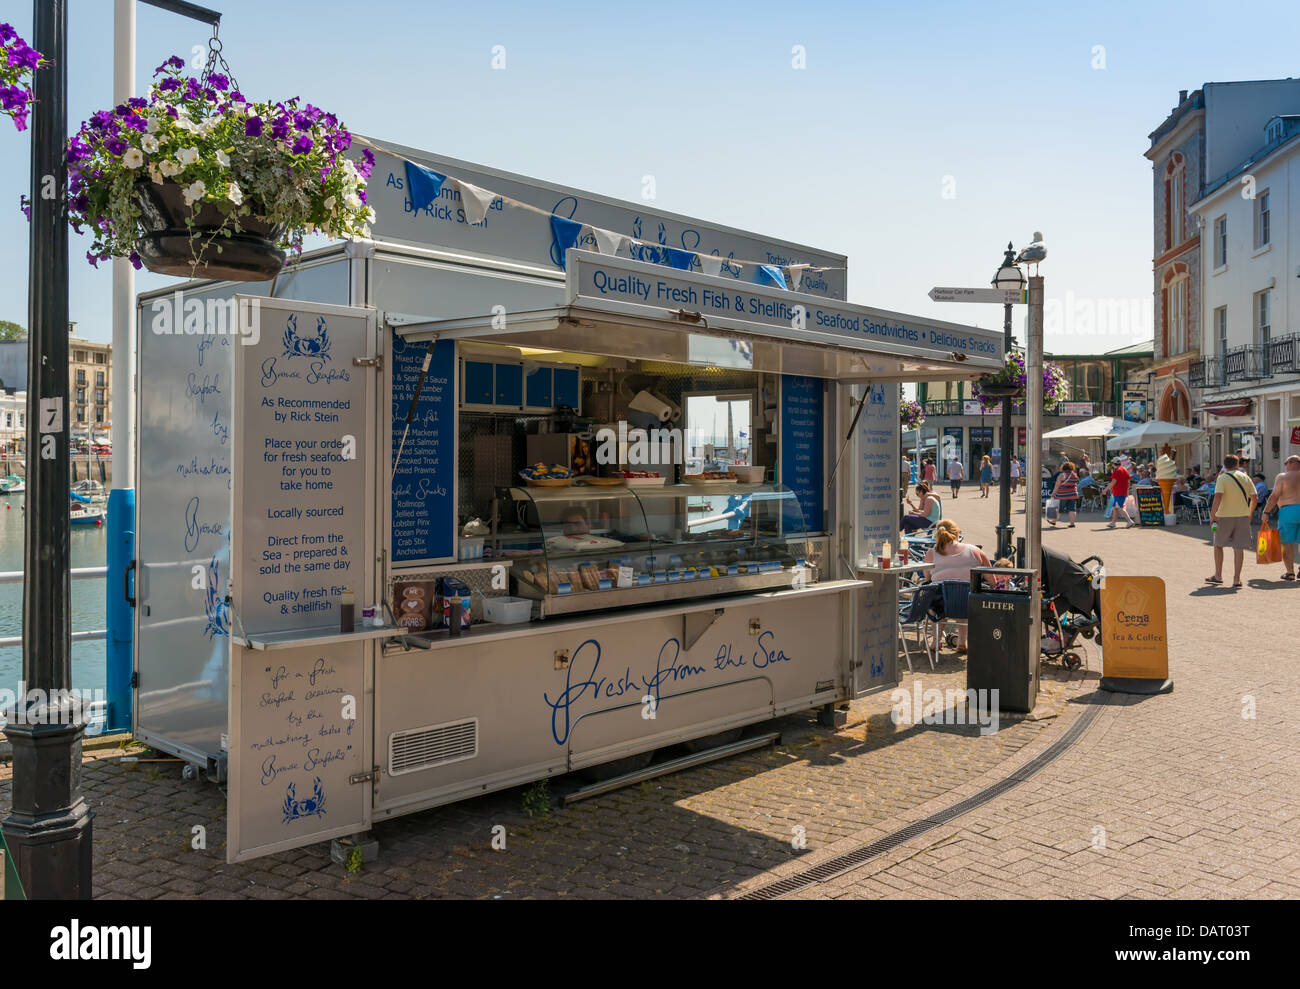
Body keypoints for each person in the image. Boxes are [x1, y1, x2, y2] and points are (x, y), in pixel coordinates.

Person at [923, 519, 991, 653]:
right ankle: (962, 641)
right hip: (968, 605)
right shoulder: (974, 551)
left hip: (941, 606)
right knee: (963, 594)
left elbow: (928, 578)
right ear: (957, 533)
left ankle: (936, 641)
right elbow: (993, 579)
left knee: (937, 597)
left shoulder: (932, 553)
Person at [1207, 453, 1257, 588]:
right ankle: (1236, 579)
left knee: (1218, 545)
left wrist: (1213, 515)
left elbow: (1218, 497)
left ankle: (1218, 575)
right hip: (1242, 516)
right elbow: (1254, 497)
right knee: (1238, 548)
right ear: (1237, 464)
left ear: (1225, 465)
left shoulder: (1222, 478)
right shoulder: (1245, 477)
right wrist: (1250, 513)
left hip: (1224, 516)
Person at [1263, 455, 1300, 581]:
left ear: (1290, 463)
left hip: (1288, 511)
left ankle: (1290, 572)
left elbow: (1274, 496)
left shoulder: (1282, 477)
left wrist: (1266, 512)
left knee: (1287, 543)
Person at [1103, 457, 1136, 528]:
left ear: (1113, 464)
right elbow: (1128, 482)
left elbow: (1113, 482)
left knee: (1120, 507)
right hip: (1122, 492)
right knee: (1115, 507)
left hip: (1118, 492)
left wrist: (1105, 490)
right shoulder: (1124, 470)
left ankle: (1129, 521)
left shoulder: (1116, 471)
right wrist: (1127, 490)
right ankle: (1113, 523)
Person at [1050, 459, 1081, 528]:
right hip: (1073, 494)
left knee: (1060, 508)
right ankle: (1072, 523)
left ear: (1063, 467)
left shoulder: (1062, 475)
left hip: (1062, 495)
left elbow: (1057, 485)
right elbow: (1077, 481)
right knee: (1072, 509)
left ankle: (1053, 521)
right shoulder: (1074, 475)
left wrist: (1053, 493)